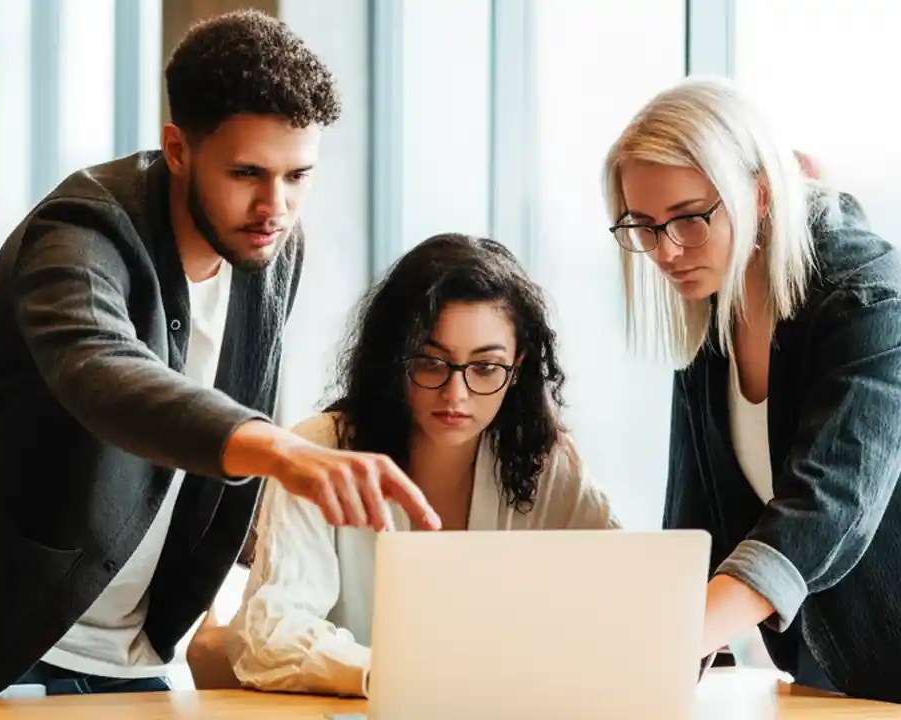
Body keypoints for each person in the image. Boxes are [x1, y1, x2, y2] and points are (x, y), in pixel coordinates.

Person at [0, 10, 438, 700]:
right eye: (247, 173)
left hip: (128, 638)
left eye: (297, 175)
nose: (274, 206)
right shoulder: (80, 231)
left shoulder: (273, 247)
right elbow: (104, 373)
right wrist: (281, 451)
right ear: (178, 149)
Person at [603, 77, 901, 719]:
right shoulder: (711, 325)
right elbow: (695, 532)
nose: (666, 250)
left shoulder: (876, 298)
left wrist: (660, 647)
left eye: (689, 217)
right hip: (869, 658)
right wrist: (660, 673)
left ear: (759, 191)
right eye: (643, 225)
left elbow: (825, 507)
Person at [185, 233, 620, 696]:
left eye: (486, 368)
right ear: (395, 358)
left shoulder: (546, 462)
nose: (456, 394)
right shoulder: (321, 450)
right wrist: (397, 677)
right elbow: (270, 634)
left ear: (518, 368)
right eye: (431, 363)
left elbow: (624, 594)